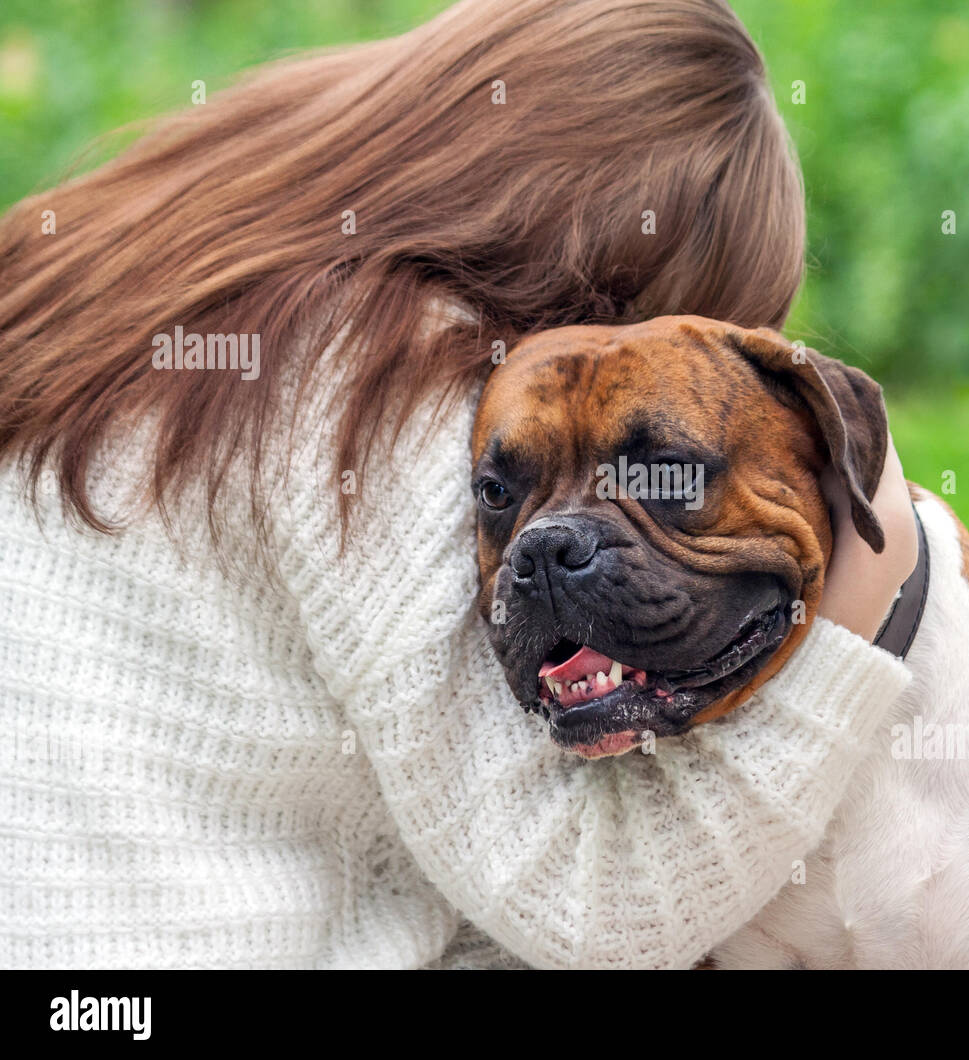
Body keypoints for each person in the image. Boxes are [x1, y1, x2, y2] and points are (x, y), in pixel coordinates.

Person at [0, 0, 917, 969]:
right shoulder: (374, 379)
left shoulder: (161, 258)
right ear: (595, 281)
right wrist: (871, 582)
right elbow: (594, 911)